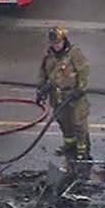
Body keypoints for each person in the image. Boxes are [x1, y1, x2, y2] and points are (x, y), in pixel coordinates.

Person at [37, 26, 91, 160]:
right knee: (63, 121)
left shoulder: (74, 53)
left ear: (64, 40)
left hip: (74, 96)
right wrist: (41, 89)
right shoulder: (48, 55)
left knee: (78, 123)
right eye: (53, 44)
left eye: (58, 43)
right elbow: (42, 73)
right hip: (57, 96)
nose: (56, 46)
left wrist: (80, 89)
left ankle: (83, 149)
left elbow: (84, 71)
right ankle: (70, 143)